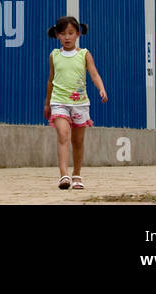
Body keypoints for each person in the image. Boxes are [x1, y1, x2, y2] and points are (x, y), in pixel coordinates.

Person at [43, 16, 107, 190]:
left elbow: (94, 73)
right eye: (63, 34)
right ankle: (64, 176)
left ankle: (77, 175)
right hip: (59, 102)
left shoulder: (84, 54)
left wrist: (101, 88)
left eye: (71, 33)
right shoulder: (54, 55)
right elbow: (51, 80)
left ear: (78, 33)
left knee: (77, 142)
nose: (67, 37)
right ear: (57, 35)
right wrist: (47, 103)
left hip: (79, 103)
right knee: (63, 135)